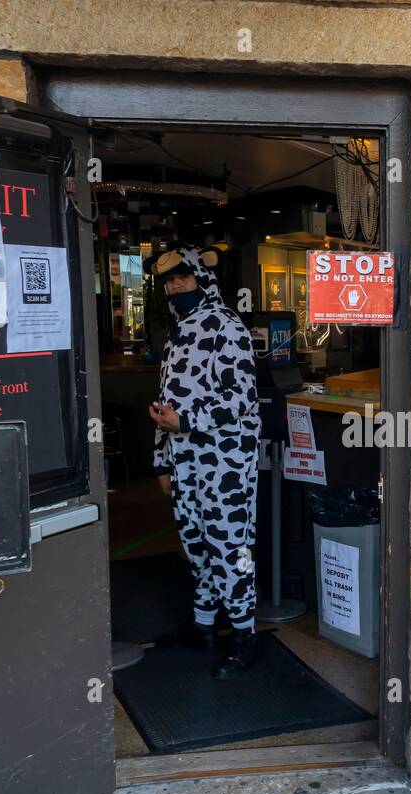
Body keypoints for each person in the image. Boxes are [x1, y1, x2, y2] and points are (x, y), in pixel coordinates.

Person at [148, 247, 261, 679]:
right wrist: (161, 462)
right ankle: (203, 625)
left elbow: (242, 398)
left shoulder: (226, 326)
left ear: (201, 278)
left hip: (225, 463)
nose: (175, 287)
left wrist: (187, 420)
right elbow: (168, 401)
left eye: (183, 278)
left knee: (231, 548)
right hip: (185, 463)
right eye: (169, 282)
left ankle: (246, 635)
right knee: (196, 545)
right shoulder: (179, 332)